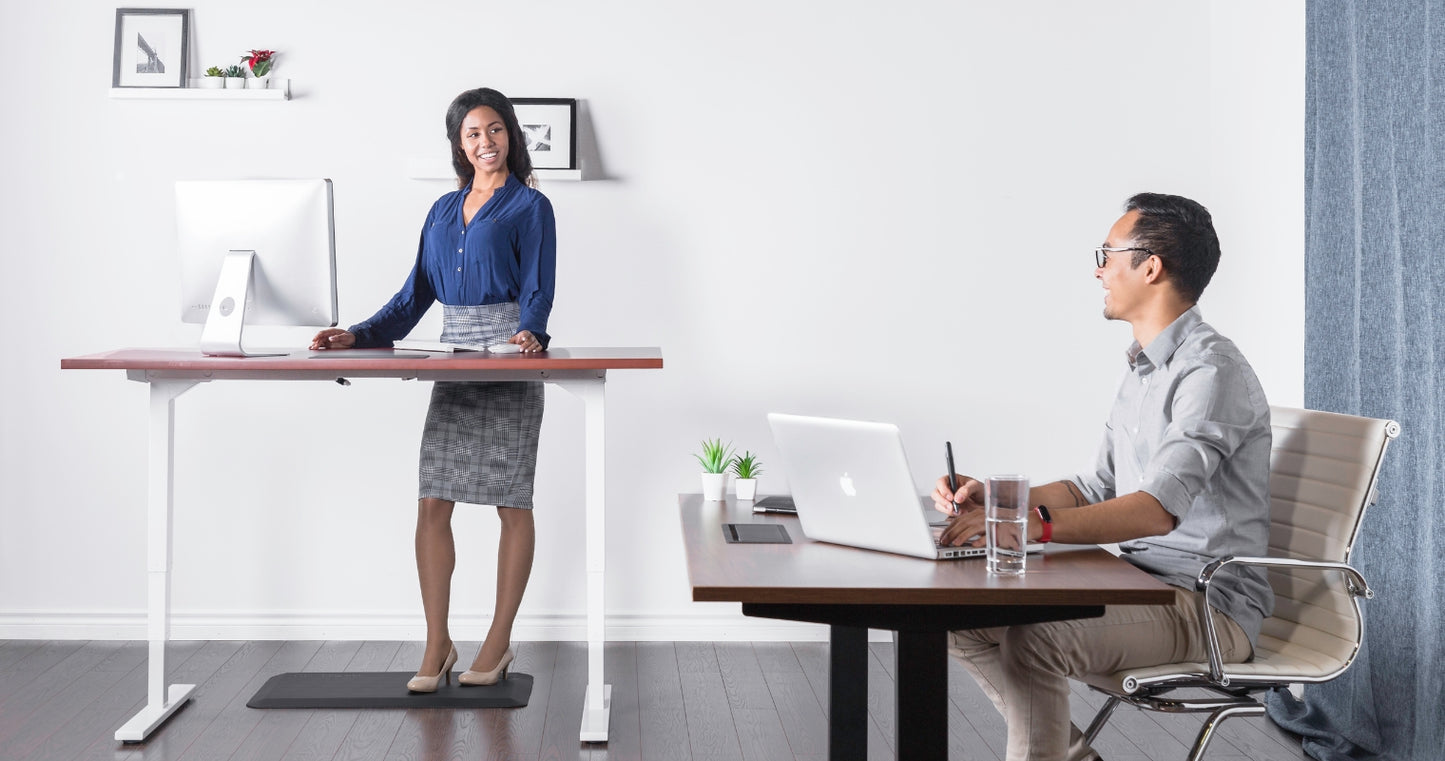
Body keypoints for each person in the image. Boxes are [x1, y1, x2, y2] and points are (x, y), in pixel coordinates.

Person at [932, 193, 1274, 761]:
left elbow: (1154, 510)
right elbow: (1094, 488)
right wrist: (993, 498)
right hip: (1140, 583)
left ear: (1150, 266)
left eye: (1107, 254)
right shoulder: (1144, 368)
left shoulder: (1209, 373)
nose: (1098, 269)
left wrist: (1034, 529)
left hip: (1205, 605)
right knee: (962, 624)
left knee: (1034, 638)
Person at [311, 87, 556, 693]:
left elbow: (539, 285)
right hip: (454, 360)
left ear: (511, 135)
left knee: (510, 500)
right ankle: (437, 644)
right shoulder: (442, 212)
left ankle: (496, 644)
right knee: (432, 501)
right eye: (472, 134)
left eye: (494, 130)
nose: (485, 143)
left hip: (509, 359)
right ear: (458, 144)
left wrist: (530, 332)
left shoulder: (532, 206)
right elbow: (413, 296)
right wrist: (358, 335)